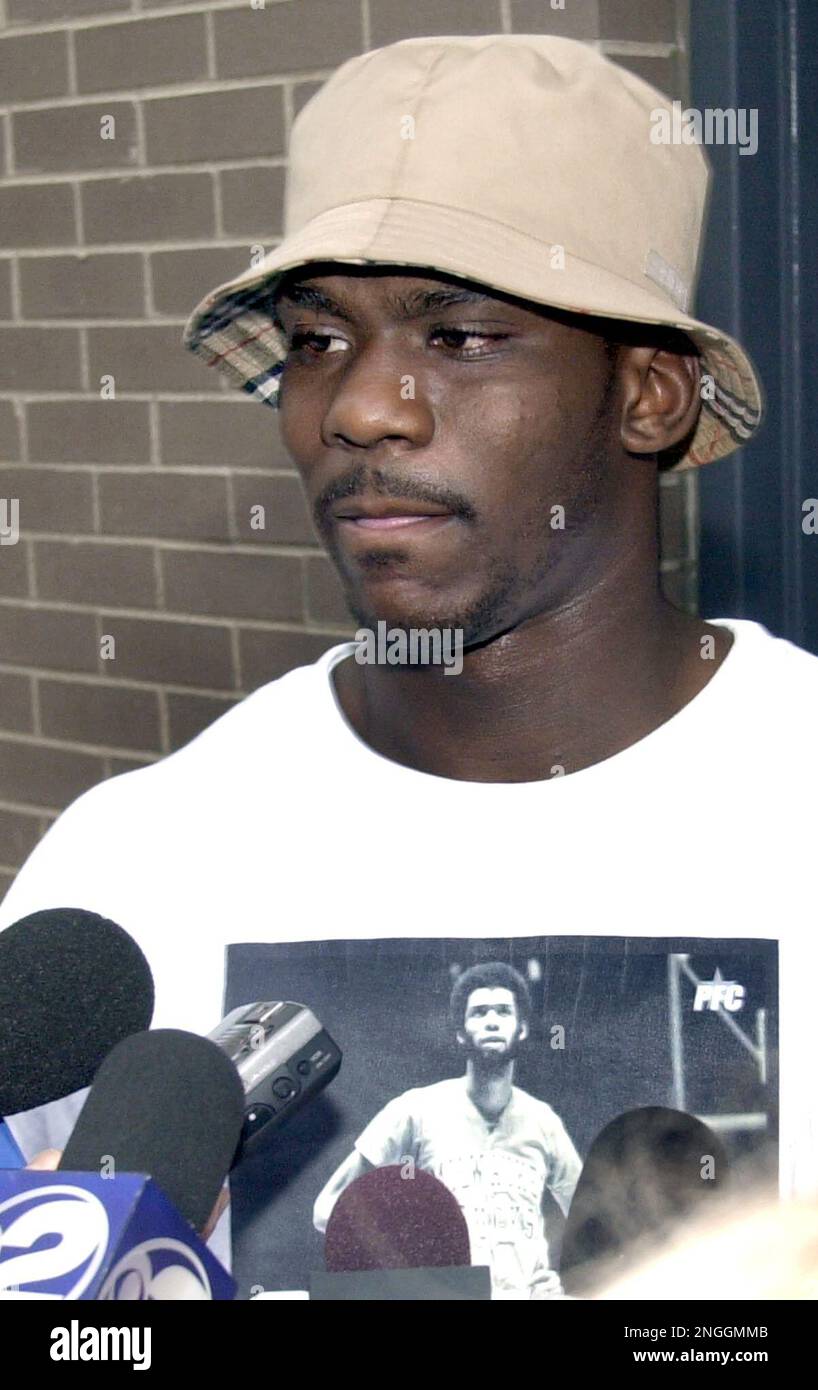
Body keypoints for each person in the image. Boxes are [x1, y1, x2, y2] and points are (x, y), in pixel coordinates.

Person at [1, 36, 815, 1290]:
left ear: (648, 395)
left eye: (462, 336)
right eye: (318, 339)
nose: (360, 408)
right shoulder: (129, 867)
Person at [314, 962, 581, 1299]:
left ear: (522, 1028)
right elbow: (328, 1208)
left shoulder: (543, 1122)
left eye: (503, 1011)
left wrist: (566, 1278)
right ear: (460, 1032)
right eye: (479, 1012)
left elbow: (596, 1225)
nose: (492, 1021)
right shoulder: (415, 1110)